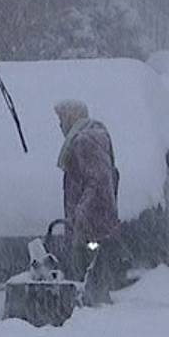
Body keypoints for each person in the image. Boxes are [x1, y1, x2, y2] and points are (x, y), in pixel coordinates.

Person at [53, 99, 120, 304]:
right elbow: (111, 176)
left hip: (88, 225)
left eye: (61, 119)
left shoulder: (84, 141)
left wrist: (81, 212)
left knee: (85, 277)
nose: (60, 125)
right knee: (97, 277)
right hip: (100, 222)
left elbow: (96, 180)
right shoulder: (97, 136)